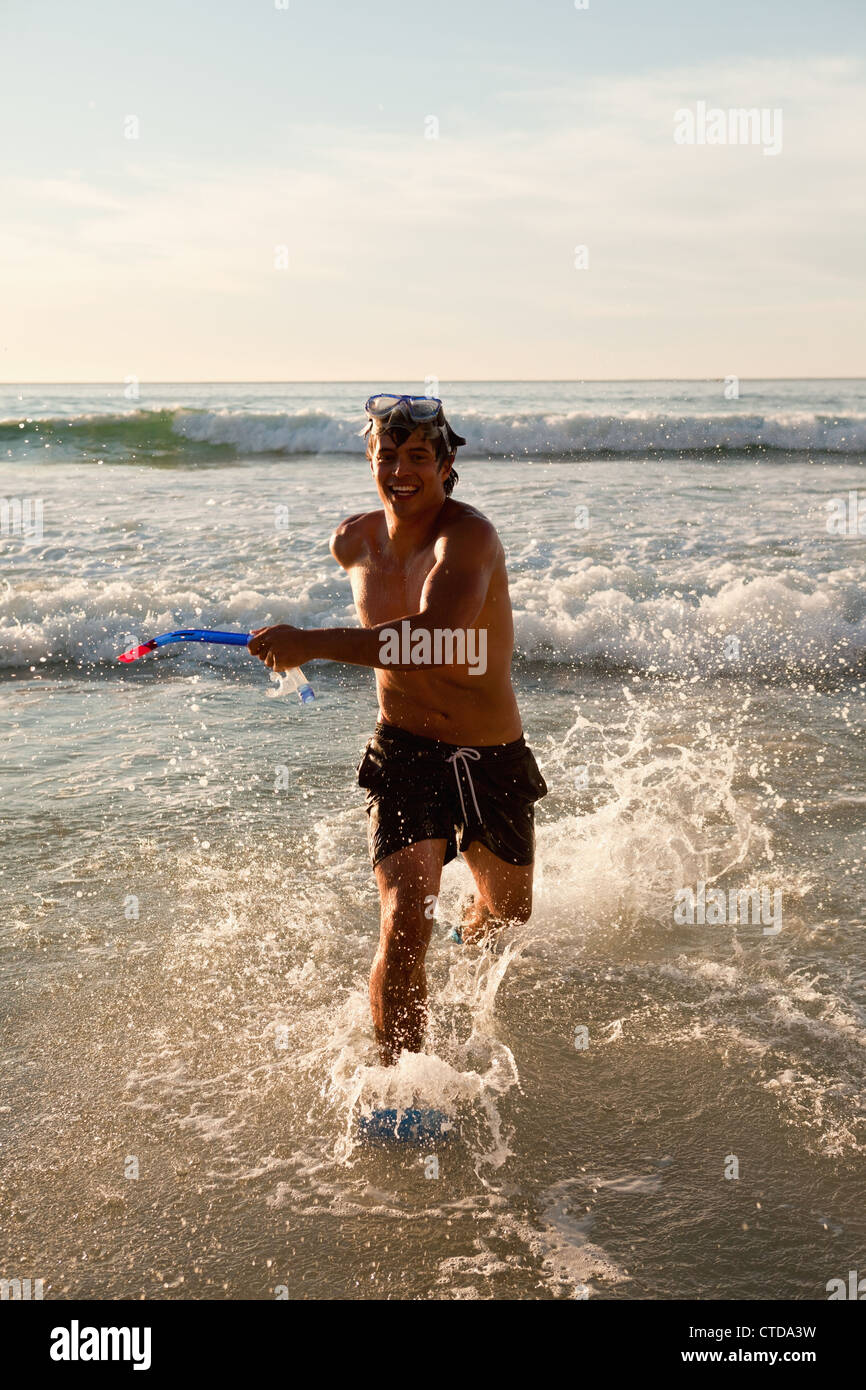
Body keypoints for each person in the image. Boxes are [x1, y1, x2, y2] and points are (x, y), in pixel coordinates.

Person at [249, 394, 547, 1063]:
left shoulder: (469, 537)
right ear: (371, 461)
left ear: (445, 467)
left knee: (504, 919)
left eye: (419, 457)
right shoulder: (351, 541)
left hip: (490, 755)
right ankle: (399, 1086)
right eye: (389, 455)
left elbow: (439, 638)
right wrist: (292, 645)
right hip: (405, 751)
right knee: (404, 923)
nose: (401, 470)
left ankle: (469, 939)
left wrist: (313, 643)